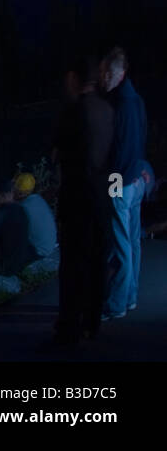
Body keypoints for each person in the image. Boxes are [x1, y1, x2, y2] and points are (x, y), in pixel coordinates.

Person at [52, 56, 114, 344]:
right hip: (101, 197)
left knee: (73, 266)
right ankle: (92, 321)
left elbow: (62, 157)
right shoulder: (106, 109)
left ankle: (70, 328)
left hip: (78, 199)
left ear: (75, 79)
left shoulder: (73, 113)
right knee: (96, 261)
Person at [101, 47, 149, 320]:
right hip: (135, 178)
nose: (105, 77)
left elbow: (117, 148)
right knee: (131, 241)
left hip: (121, 179)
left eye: (109, 72)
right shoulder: (137, 100)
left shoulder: (120, 104)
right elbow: (141, 137)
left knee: (122, 244)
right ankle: (129, 296)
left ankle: (118, 303)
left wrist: (109, 178)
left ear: (120, 72)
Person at [13, 172, 57, 259]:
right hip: (50, 247)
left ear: (19, 193)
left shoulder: (22, 208)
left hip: (38, 252)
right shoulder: (38, 199)